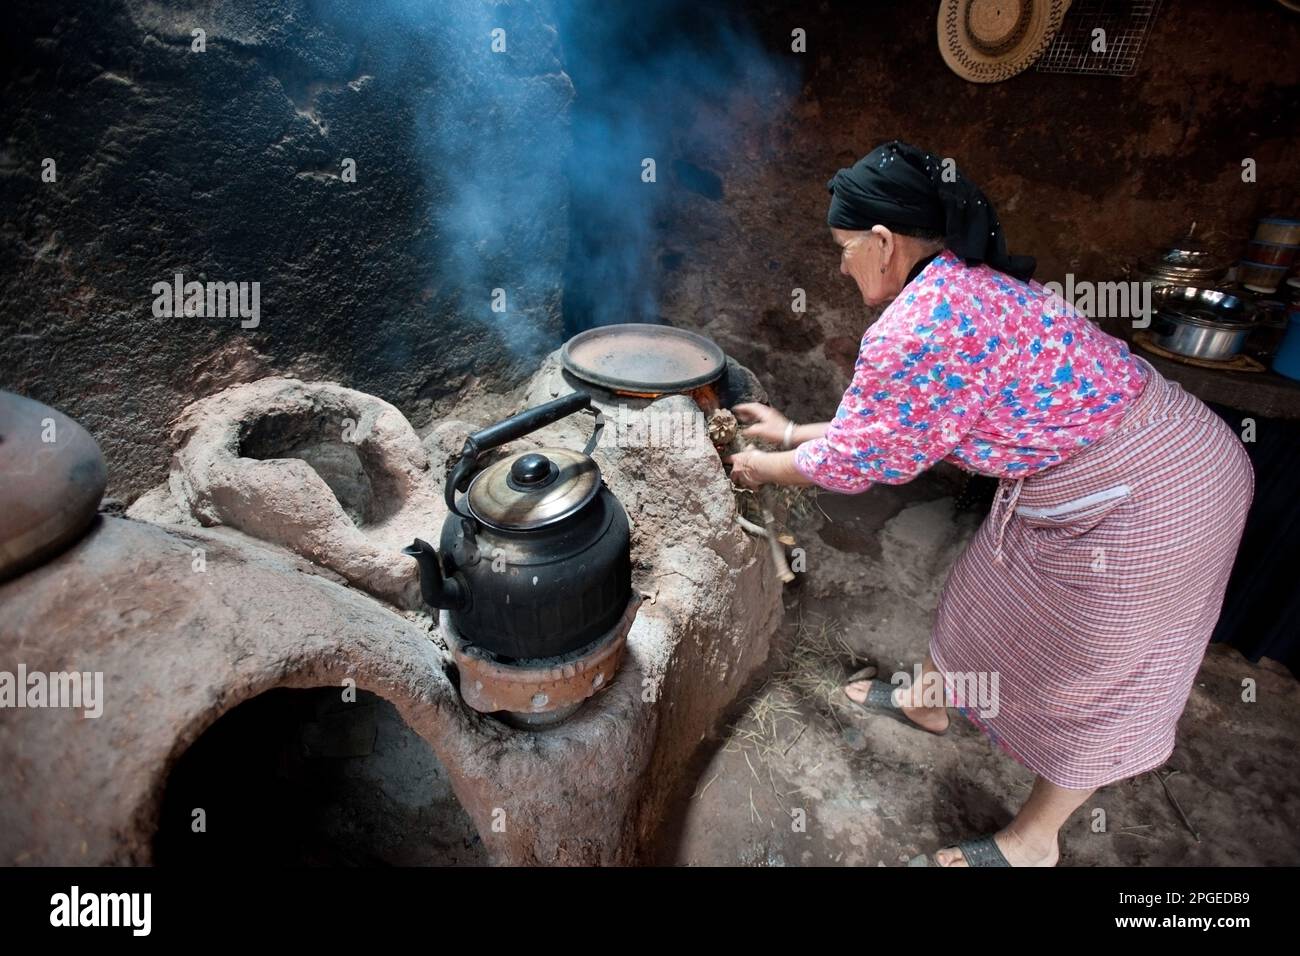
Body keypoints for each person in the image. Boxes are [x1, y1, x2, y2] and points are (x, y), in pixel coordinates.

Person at [725, 140, 1254, 867]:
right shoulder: (957, 284)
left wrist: (762, 468)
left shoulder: (920, 327)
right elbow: (895, 425)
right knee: (986, 596)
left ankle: (1033, 841)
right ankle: (928, 702)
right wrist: (790, 431)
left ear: (884, 243)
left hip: (1160, 498)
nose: (840, 265)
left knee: (1096, 671)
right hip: (1121, 466)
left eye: (844, 248)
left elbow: (857, 460)